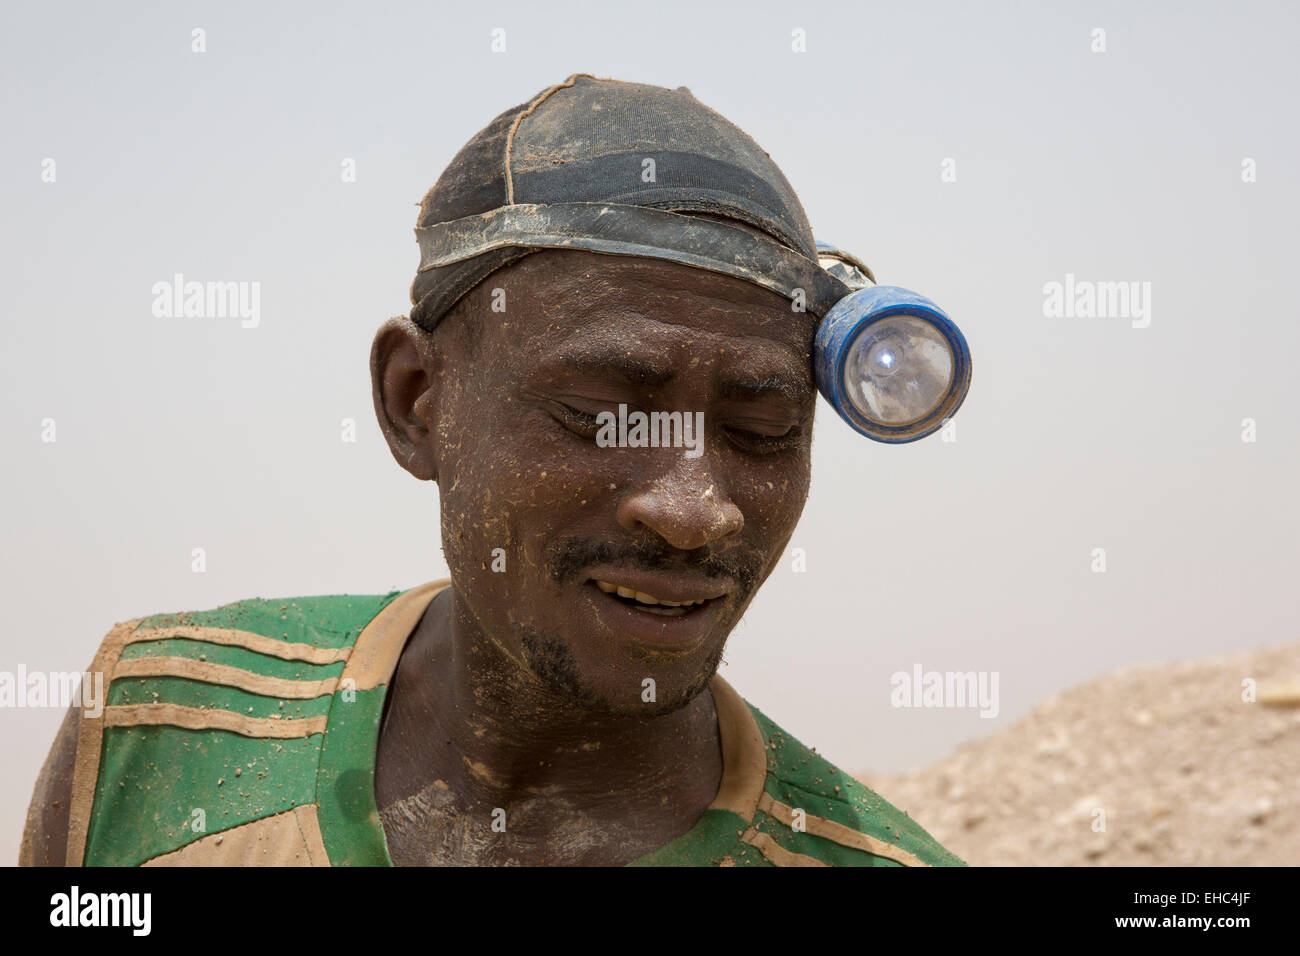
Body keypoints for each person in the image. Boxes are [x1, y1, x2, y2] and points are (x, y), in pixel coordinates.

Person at [21, 73, 966, 867]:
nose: (693, 509)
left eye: (761, 431)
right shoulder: (160, 725)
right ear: (416, 401)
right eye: (602, 418)